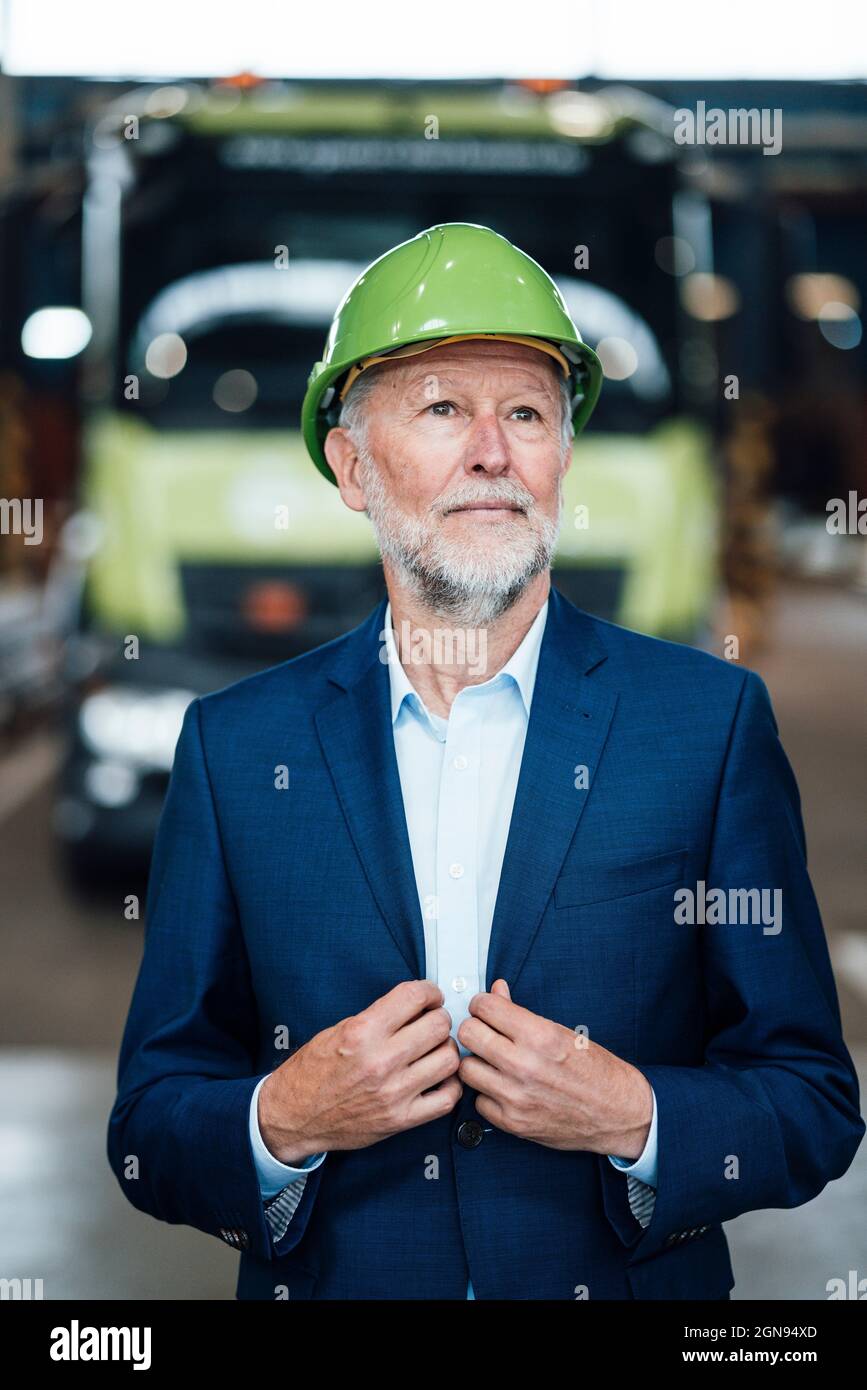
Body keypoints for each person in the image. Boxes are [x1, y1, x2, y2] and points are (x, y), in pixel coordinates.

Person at [108, 223, 863, 1300]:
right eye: (443, 410)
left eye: (526, 413)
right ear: (352, 466)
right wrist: (282, 1117)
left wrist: (636, 1115)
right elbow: (149, 1126)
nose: (493, 453)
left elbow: (812, 1103)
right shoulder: (240, 748)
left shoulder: (707, 726)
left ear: (562, 454)